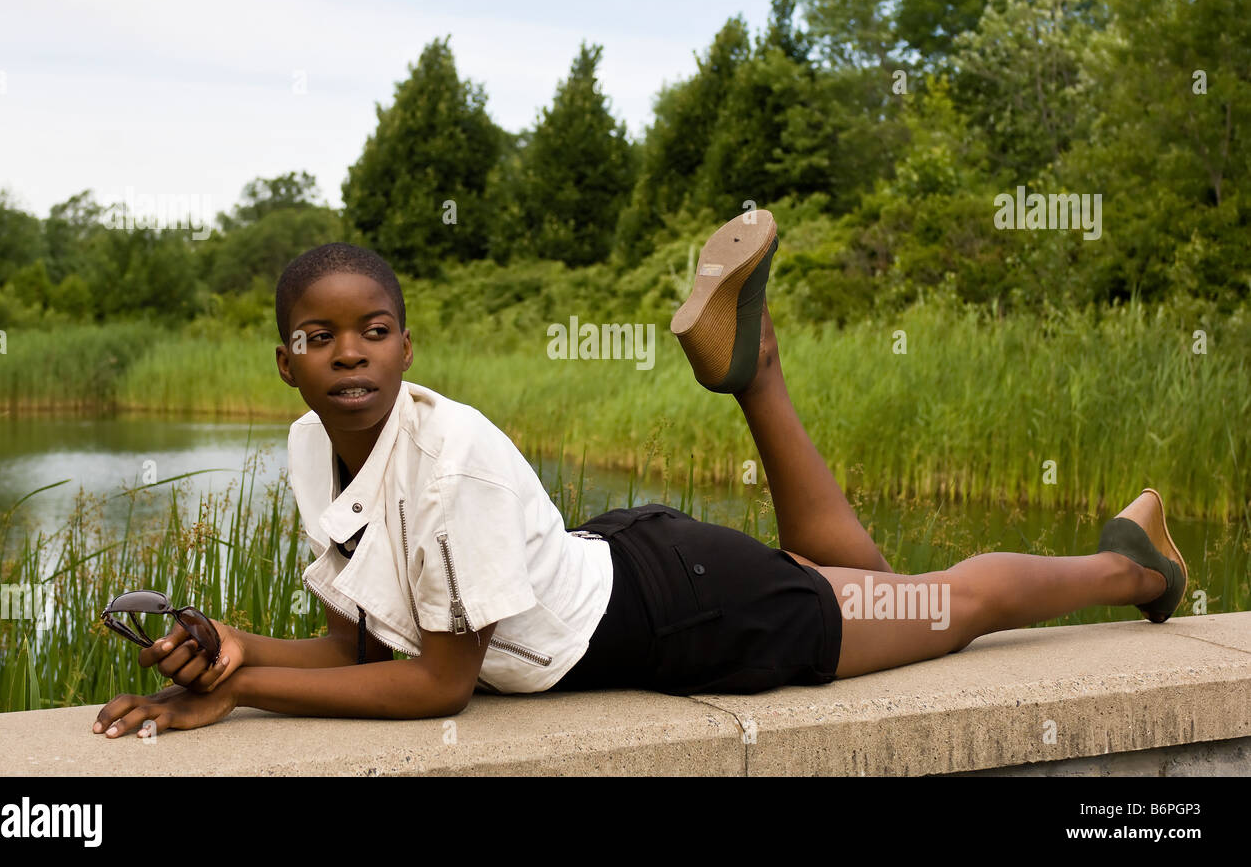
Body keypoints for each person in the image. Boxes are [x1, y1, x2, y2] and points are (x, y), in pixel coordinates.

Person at [92, 215, 1187, 738]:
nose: (348, 353)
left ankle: (1131, 570)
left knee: (944, 604)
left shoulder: (455, 456)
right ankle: (757, 372)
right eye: (317, 337)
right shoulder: (309, 447)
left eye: (372, 330)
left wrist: (243, 688)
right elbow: (360, 643)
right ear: (283, 361)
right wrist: (230, 644)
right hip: (633, 570)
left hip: (691, 613)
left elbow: (436, 684)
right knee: (867, 579)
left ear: (408, 349)